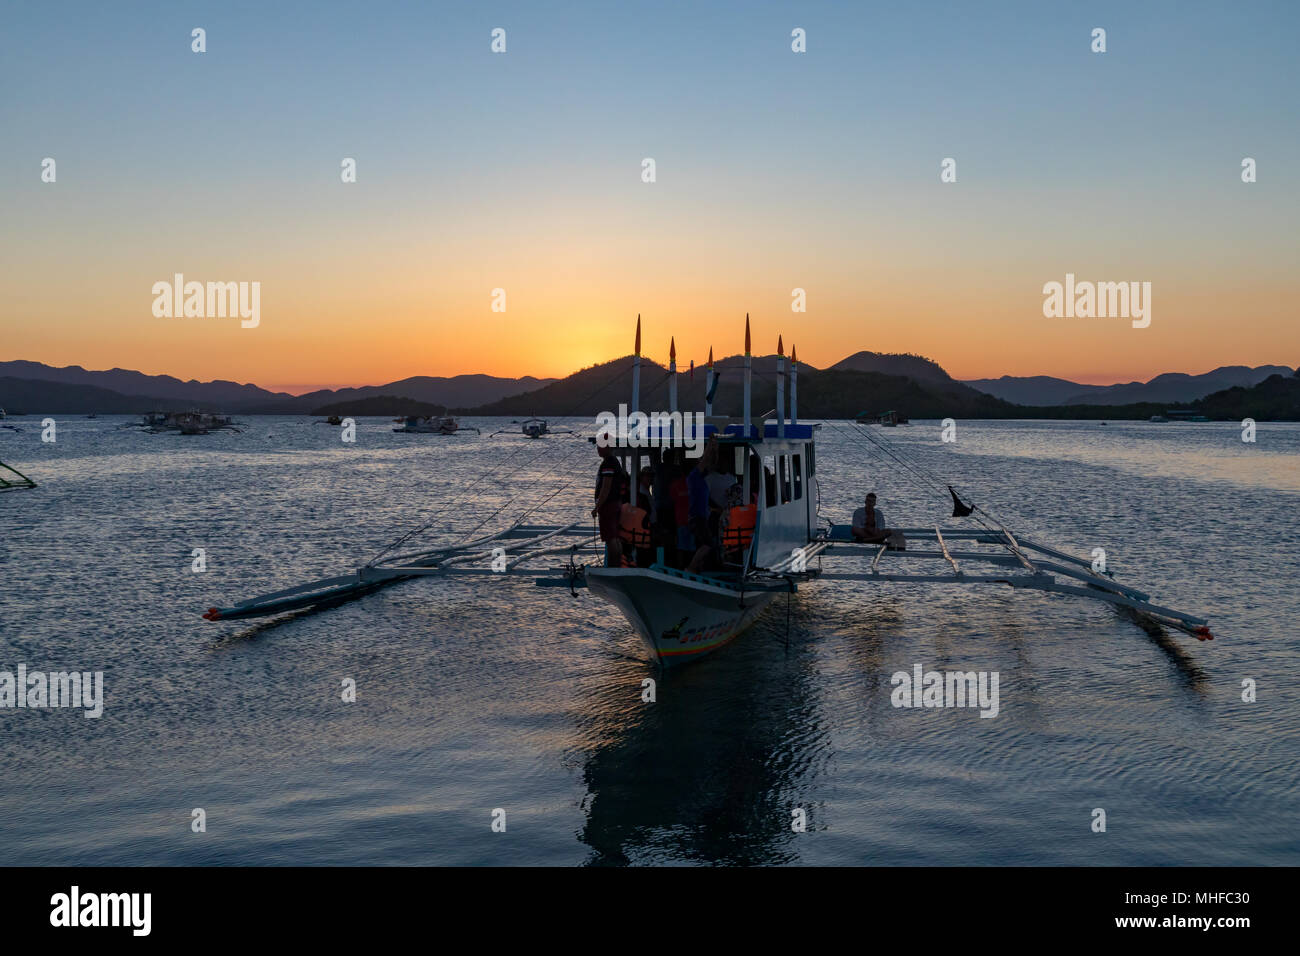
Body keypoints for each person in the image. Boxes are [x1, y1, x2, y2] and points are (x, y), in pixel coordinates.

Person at [592, 443, 628, 566]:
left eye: (600, 447)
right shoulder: (613, 462)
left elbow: (606, 488)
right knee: (615, 536)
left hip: (609, 505)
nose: (598, 449)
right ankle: (617, 564)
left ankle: (614, 566)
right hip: (614, 503)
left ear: (608, 447)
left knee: (610, 537)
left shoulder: (608, 463)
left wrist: (597, 507)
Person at [684, 454, 713, 573]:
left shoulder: (700, 479)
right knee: (708, 544)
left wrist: (714, 449)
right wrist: (710, 446)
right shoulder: (693, 476)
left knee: (701, 545)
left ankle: (697, 570)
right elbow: (706, 460)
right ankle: (690, 569)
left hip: (701, 517)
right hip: (697, 517)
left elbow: (711, 463)